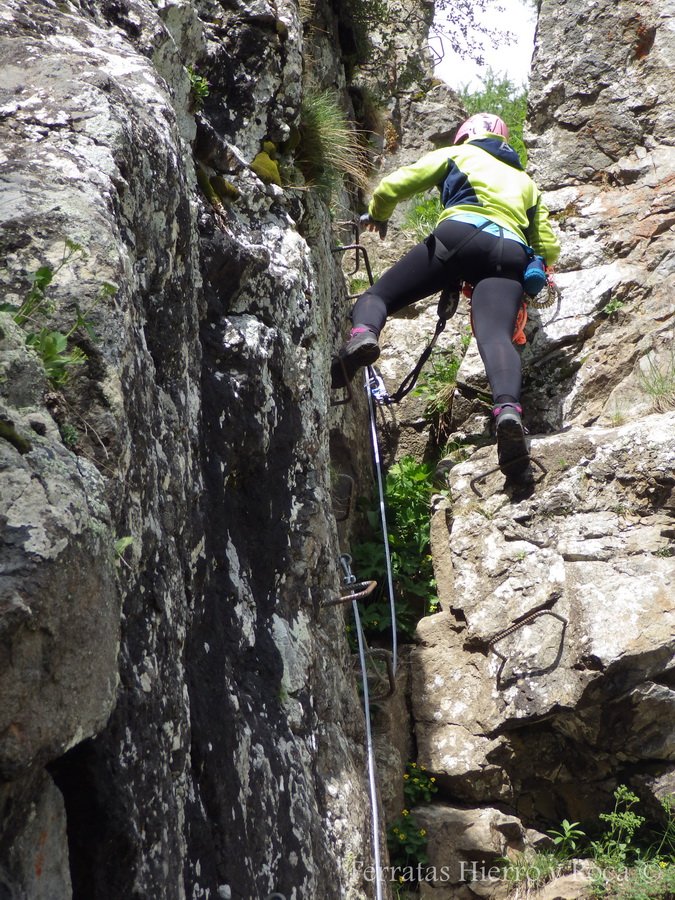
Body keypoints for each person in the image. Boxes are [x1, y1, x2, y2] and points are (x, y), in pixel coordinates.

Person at [332, 112, 560, 476]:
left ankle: (363, 337)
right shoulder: (525, 182)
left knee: (379, 296)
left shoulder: (462, 155)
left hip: (460, 236)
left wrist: (378, 213)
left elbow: (395, 185)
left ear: (467, 134)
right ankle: (507, 412)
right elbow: (547, 248)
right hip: (511, 255)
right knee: (496, 337)